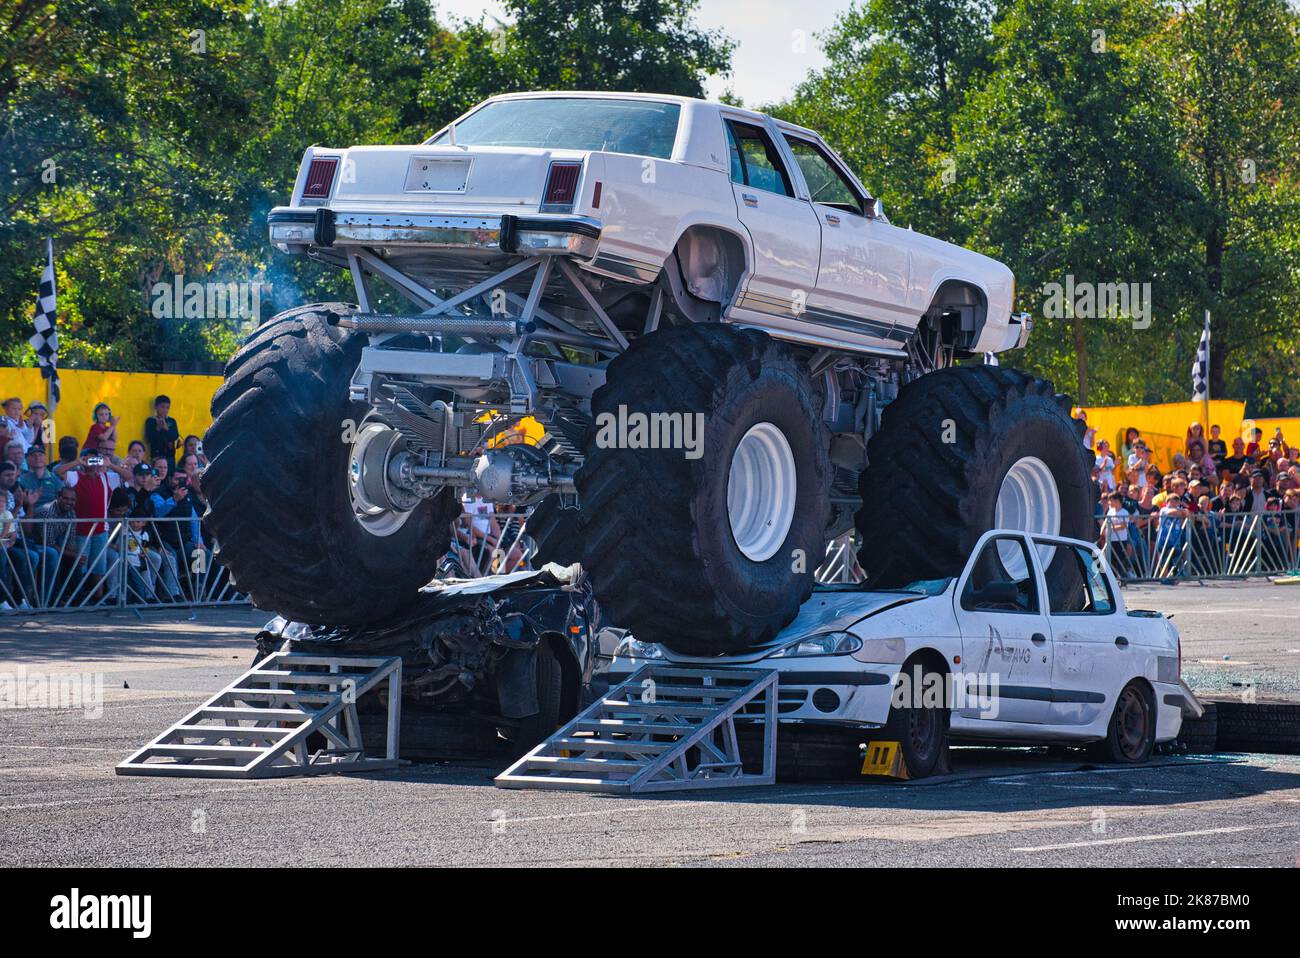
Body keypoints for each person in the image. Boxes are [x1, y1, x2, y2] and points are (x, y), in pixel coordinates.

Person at [63, 450, 116, 602]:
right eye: (90, 460)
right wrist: (78, 462)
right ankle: (77, 597)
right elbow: (57, 471)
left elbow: (128, 477)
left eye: (96, 460)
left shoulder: (107, 478)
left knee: (99, 565)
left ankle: (98, 598)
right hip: (80, 530)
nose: (93, 464)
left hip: (100, 530)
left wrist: (110, 464)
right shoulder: (76, 476)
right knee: (80, 565)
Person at [145, 395, 180, 470]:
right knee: (156, 475)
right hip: (156, 455)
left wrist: (166, 428)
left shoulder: (171, 421)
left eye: (167, 407)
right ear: (156, 407)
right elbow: (149, 438)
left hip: (170, 456)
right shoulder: (151, 421)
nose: (165, 410)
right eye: (162, 407)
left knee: (170, 475)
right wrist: (158, 428)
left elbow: (175, 436)